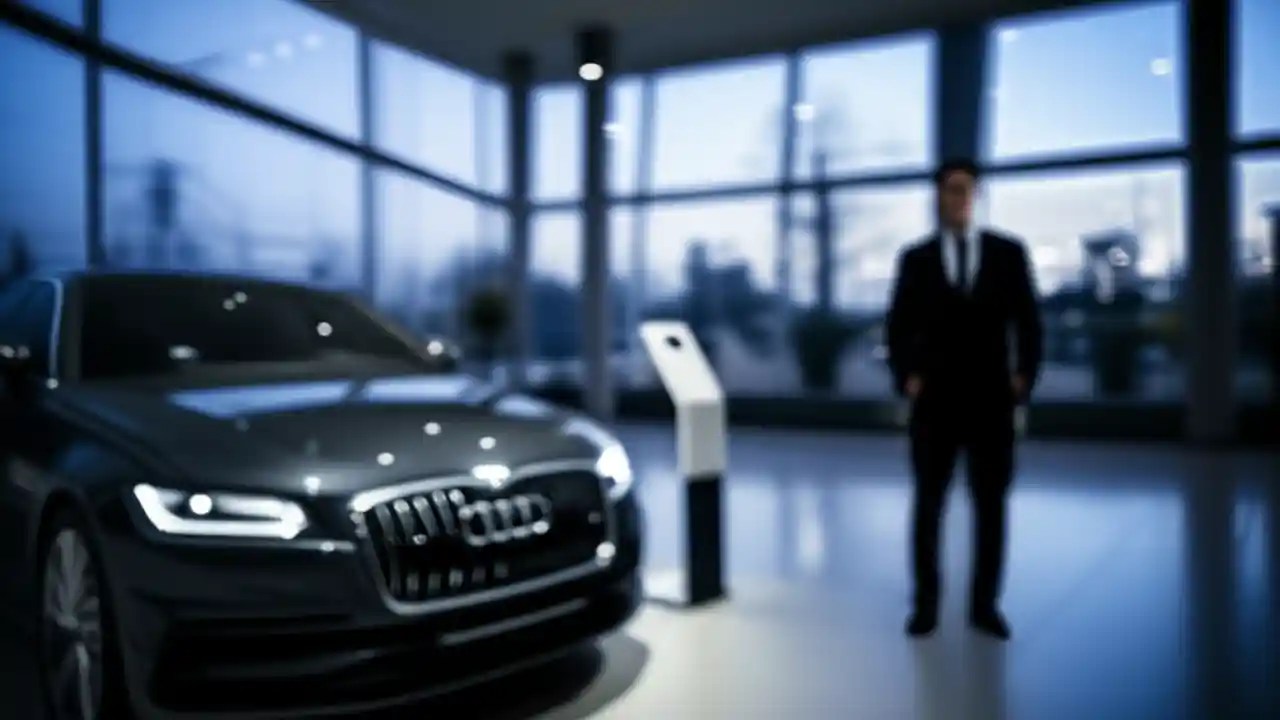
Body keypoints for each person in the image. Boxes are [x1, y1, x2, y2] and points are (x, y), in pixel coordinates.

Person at [886, 158, 1043, 640]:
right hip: (934, 402)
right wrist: (906, 377)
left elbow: (1030, 321)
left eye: (965, 190)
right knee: (928, 505)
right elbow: (897, 325)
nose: (958, 199)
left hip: (992, 401)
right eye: (950, 191)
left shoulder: (1007, 253)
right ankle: (926, 606)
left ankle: (984, 606)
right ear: (938, 197)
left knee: (991, 507)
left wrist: (1023, 378)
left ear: (976, 196)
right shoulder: (916, 258)